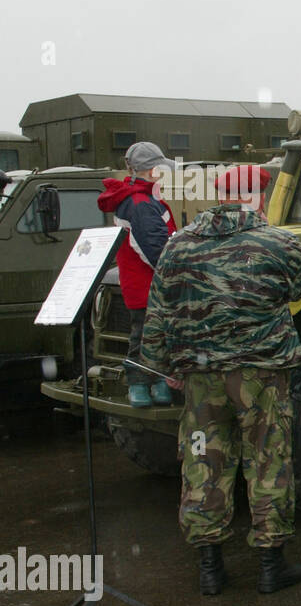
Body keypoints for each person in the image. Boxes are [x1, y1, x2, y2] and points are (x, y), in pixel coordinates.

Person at [140, 164, 301, 596]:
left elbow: (158, 313)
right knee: (268, 459)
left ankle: (209, 568)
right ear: (258, 196)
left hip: (201, 379)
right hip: (261, 376)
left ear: (216, 196)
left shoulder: (178, 245)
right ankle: (270, 565)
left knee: (204, 463)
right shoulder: (279, 243)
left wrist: (163, 365)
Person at [96, 142, 178, 407]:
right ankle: (138, 384)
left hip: (141, 283)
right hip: (149, 284)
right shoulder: (141, 203)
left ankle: (155, 382)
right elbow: (155, 249)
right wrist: (176, 274)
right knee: (145, 336)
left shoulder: (136, 198)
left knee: (150, 335)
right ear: (152, 169)